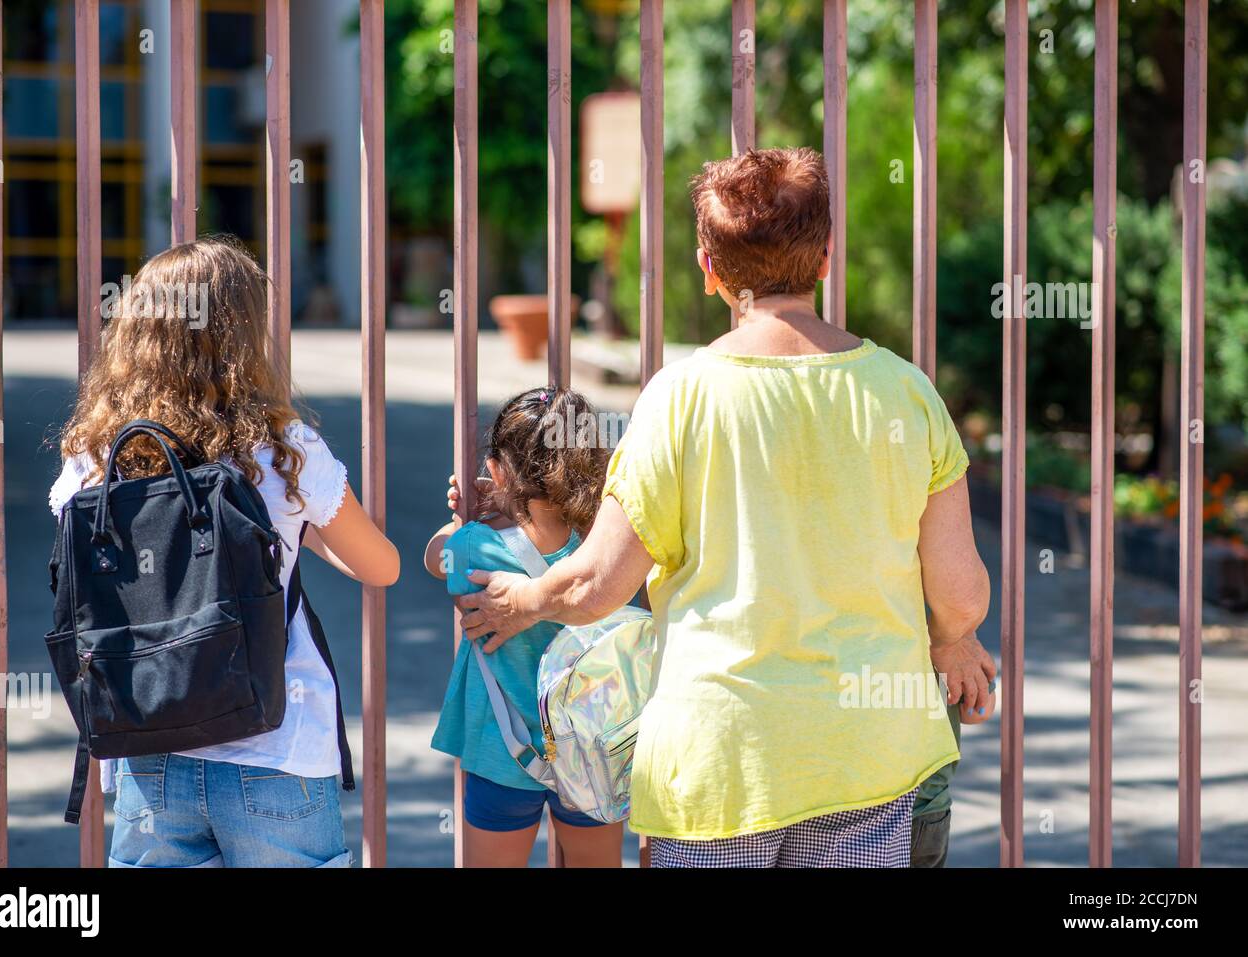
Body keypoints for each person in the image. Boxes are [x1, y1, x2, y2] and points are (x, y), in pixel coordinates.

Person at [454, 147, 996, 868]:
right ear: (827, 254)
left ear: (709, 269)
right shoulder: (906, 392)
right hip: (868, 760)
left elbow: (595, 587)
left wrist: (525, 597)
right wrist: (952, 636)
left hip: (718, 765)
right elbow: (960, 594)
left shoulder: (679, 398)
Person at [49, 236, 399, 867]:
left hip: (145, 749)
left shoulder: (95, 455)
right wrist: (293, 525)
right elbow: (382, 566)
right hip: (276, 749)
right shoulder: (283, 450)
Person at [424, 388, 625, 867]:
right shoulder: (601, 544)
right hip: (592, 754)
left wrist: (466, 518)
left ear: (496, 471)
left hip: (503, 753)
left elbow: (435, 558)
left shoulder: (475, 544)